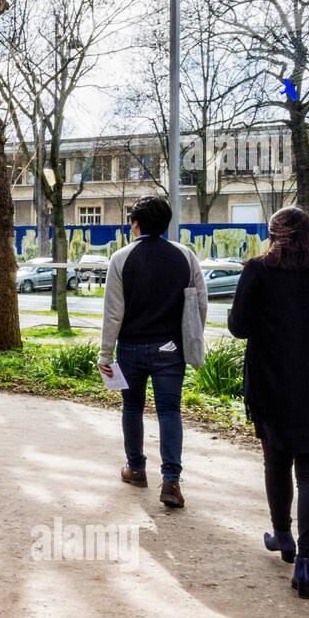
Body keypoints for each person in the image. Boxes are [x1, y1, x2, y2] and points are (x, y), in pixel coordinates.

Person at [227, 207, 309, 599]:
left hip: (271, 381)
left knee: (277, 460)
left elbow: (239, 328)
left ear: (272, 235)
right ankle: (307, 562)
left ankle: (282, 536)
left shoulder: (258, 271)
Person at [98, 195, 207, 508]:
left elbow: (113, 312)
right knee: (170, 411)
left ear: (135, 224)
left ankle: (135, 468)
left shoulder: (121, 258)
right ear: (166, 223)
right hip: (170, 349)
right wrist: (191, 340)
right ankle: (171, 481)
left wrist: (106, 355)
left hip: (130, 348)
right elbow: (200, 303)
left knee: (132, 408)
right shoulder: (186, 256)